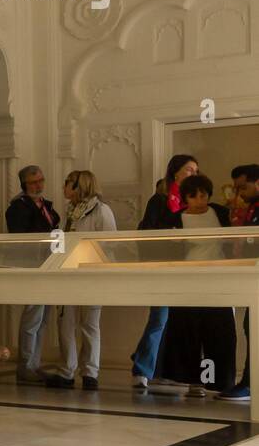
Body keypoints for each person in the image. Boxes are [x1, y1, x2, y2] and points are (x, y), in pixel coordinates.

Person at [157, 174, 236, 397]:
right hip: (188, 279)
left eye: (204, 195)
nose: (200, 200)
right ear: (186, 198)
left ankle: (217, 381)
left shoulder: (219, 213)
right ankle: (194, 381)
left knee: (218, 331)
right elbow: (166, 250)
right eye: (194, 196)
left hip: (217, 278)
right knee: (189, 331)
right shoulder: (175, 219)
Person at [129, 154, 198, 389]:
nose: (193, 175)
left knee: (180, 322)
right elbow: (148, 233)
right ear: (176, 172)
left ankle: (161, 366)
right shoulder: (158, 200)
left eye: (196, 171)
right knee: (159, 317)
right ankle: (142, 369)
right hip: (161, 267)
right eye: (189, 170)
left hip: (187, 269)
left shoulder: (195, 204)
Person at [46, 171, 117, 390]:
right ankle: (67, 370)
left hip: (92, 274)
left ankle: (90, 372)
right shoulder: (68, 212)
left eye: (67, 183)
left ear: (79, 186)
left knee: (89, 324)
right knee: (65, 323)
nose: (64, 188)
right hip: (68, 273)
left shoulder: (101, 210)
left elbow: (111, 243)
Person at [5, 165, 59, 383]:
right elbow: (22, 238)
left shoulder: (46, 206)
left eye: (41, 180)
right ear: (24, 185)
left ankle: (34, 364)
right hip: (31, 266)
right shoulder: (18, 208)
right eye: (34, 182)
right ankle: (25, 364)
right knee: (32, 317)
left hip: (49, 264)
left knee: (43, 318)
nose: (39, 185)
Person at [218, 163, 259, 401]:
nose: (238, 192)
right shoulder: (250, 207)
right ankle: (249, 382)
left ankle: (250, 384)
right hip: (251, 275)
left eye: (242, 187)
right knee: (250, 326)